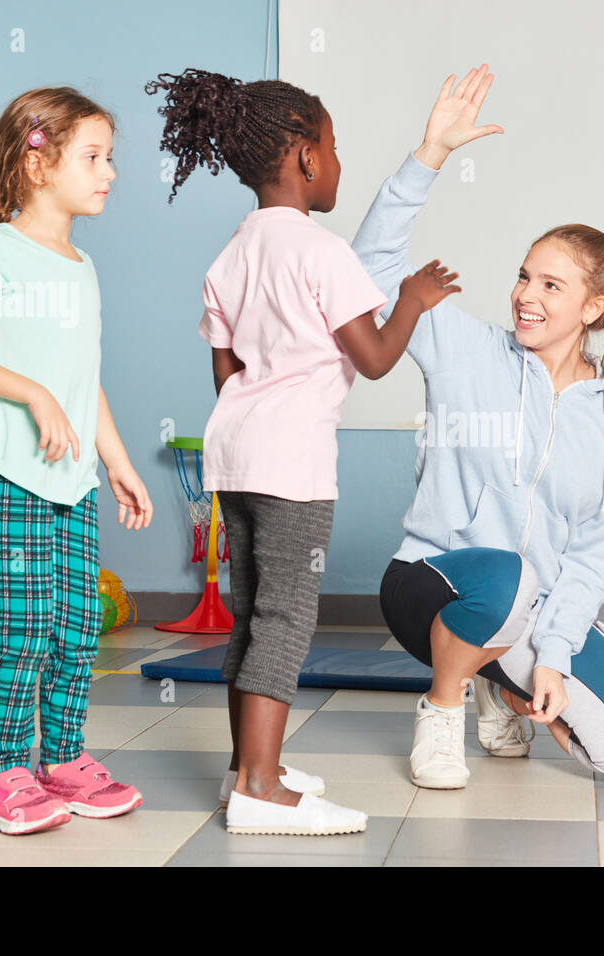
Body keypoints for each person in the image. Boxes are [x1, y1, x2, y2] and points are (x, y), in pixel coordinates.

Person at [146, 69, 460, 834]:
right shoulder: (322, 253)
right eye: (334, 146)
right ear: (306, 158)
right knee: (285, 620)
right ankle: (260, 788)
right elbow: (377, 356)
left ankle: (247, 771)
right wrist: (412, 299)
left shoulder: (235, 249)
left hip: (235, 455)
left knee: (253, 614)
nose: (339, 162)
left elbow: (225, 371)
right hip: (292, 463)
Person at [360, 65, 604, 788]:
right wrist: (429, 153)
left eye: (550, 286)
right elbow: (371, 268)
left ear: (594, 309)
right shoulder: (467, 349)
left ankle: (503, 684)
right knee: (509, 575)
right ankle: (443, 705)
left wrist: (555, 658)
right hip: (432, 583)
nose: (525, 296)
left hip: (530, 613)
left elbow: (595, 557)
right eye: (524, 276)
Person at [0, 87, 153, 835]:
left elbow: (81, 383)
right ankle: (4, 777)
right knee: (25, 628)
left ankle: (62, 761)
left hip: (73, 479)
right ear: (38, 161)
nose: (109, 173)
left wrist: (118, 463)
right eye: (93, 157)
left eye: (109, 158)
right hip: (8, 472)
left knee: (77, 626)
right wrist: (31, 394)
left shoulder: (82, 266)